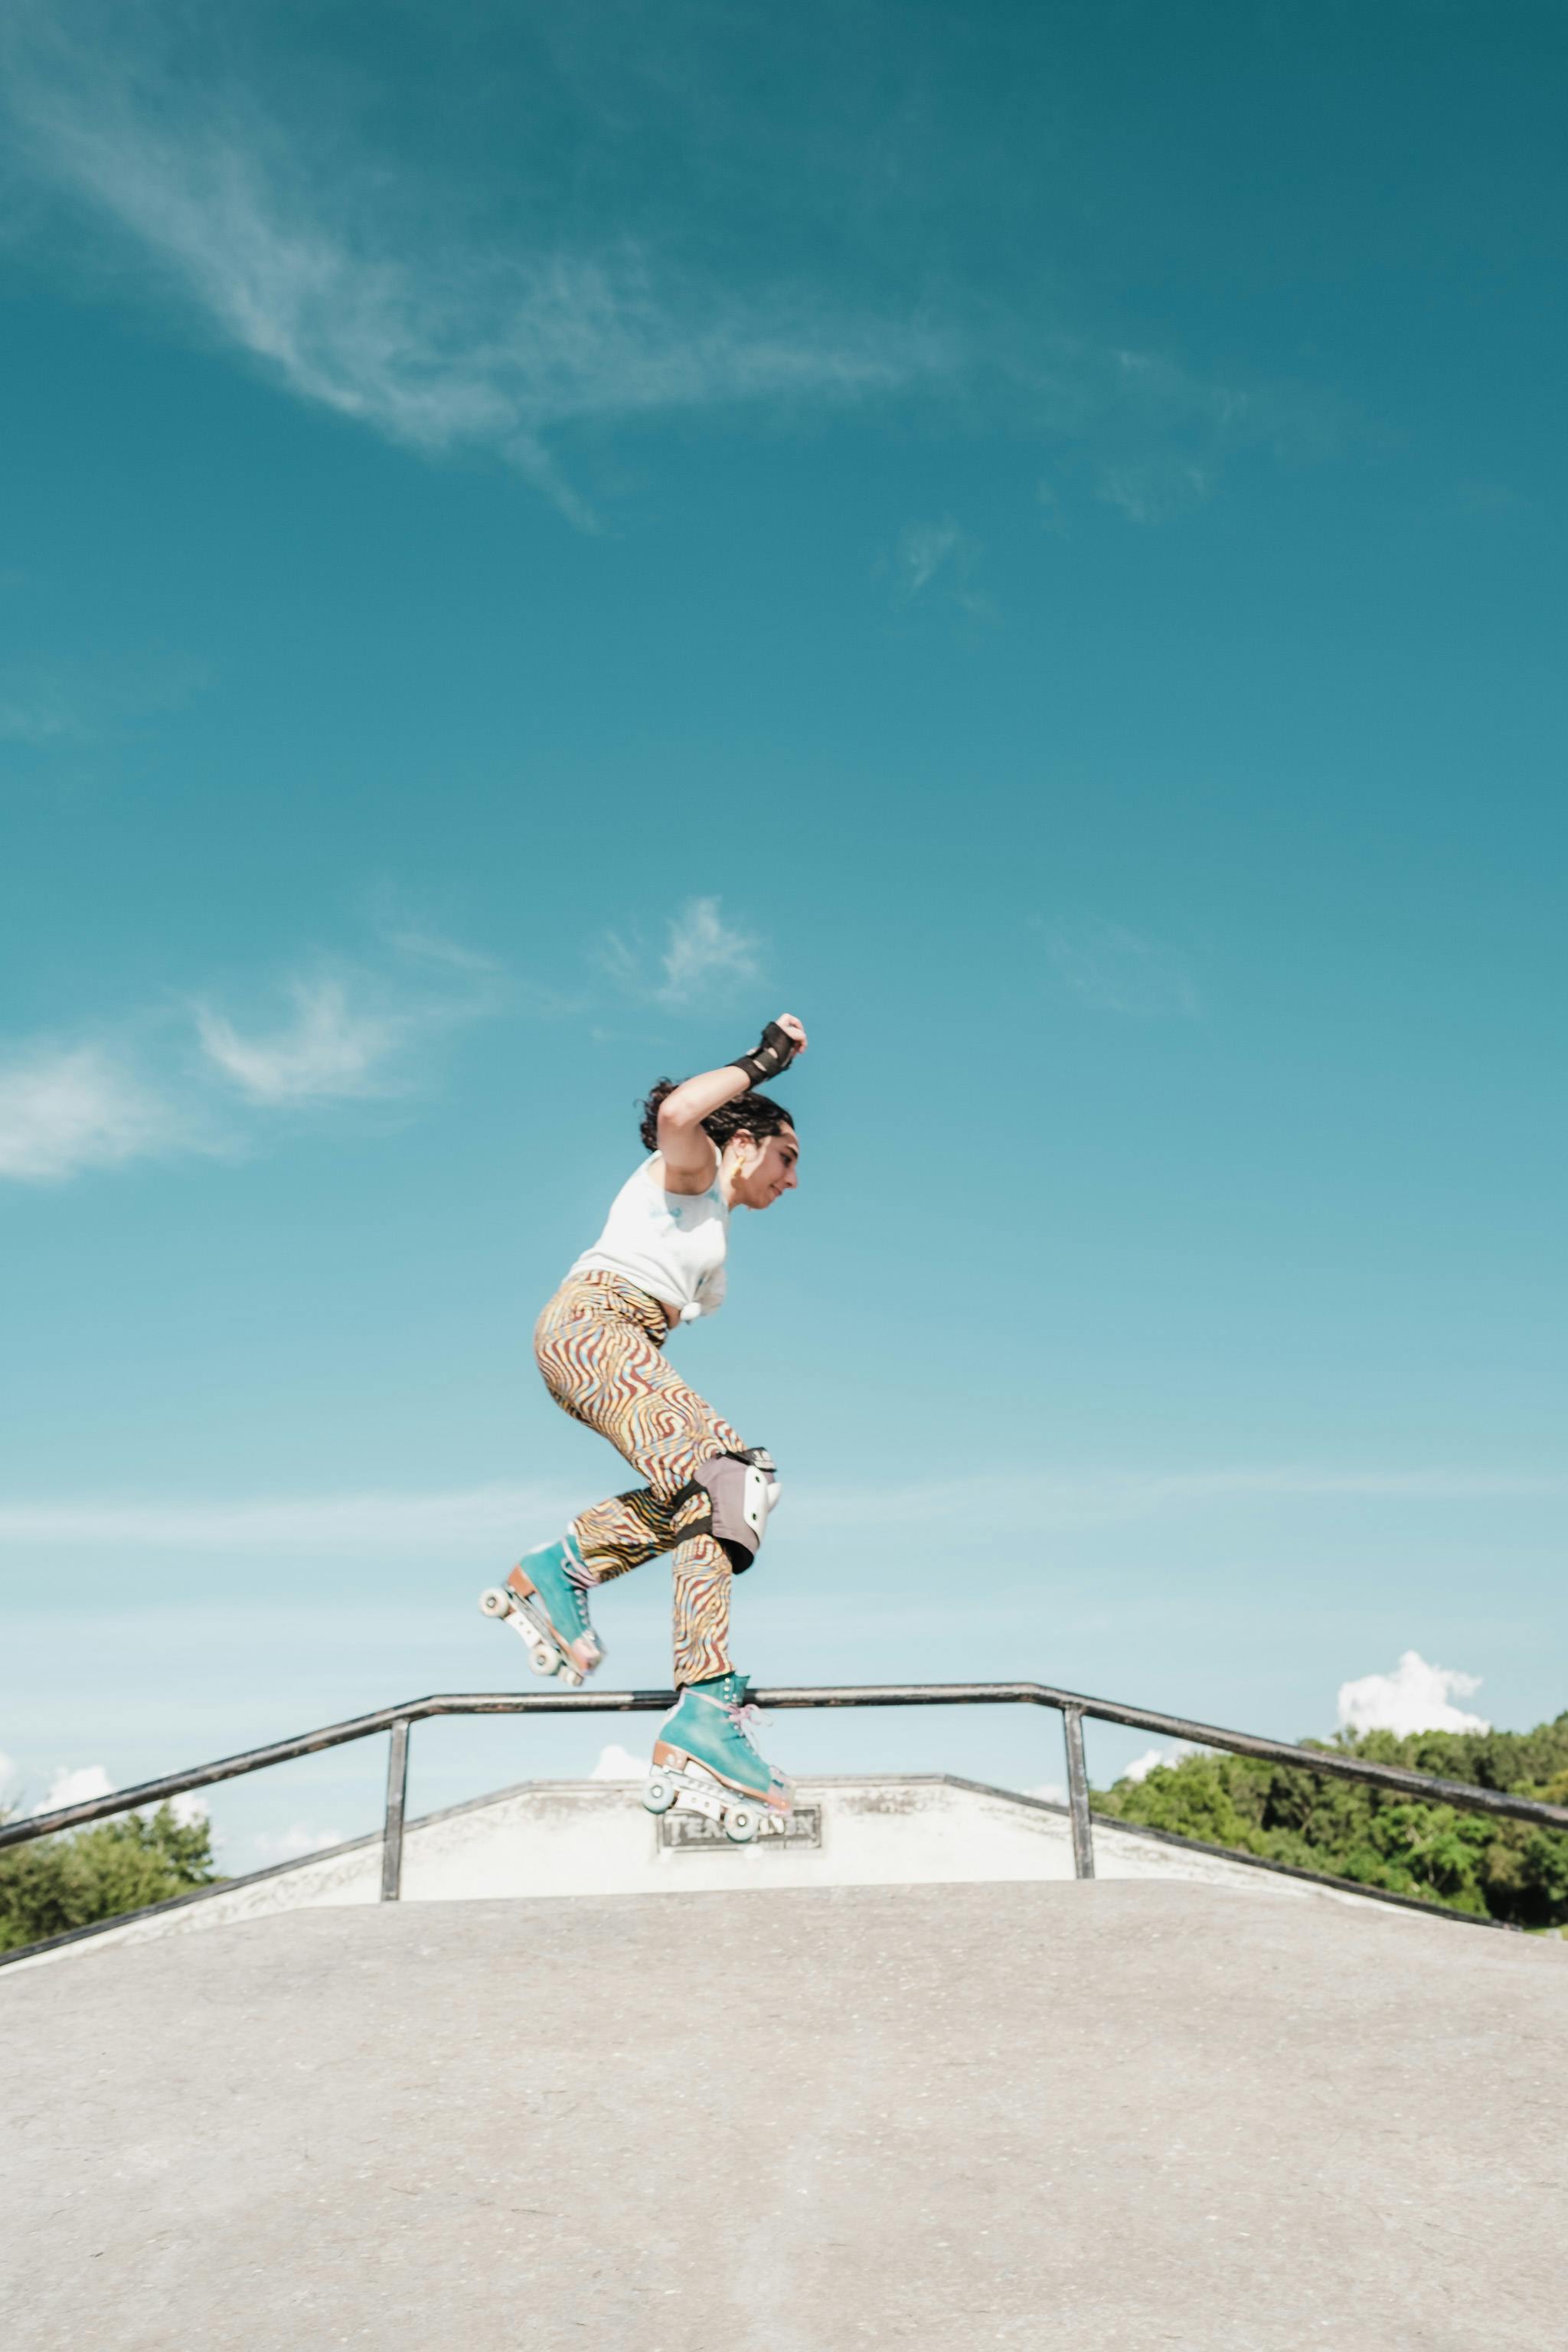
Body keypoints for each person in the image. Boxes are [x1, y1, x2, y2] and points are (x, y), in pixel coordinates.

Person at [482, 1014, 806, 1831]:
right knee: (734, 1476)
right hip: (595, 1328)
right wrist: (764, 1062)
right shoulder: (690, 1171)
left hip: (605, 1337)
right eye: (786, 1158)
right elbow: (675, 1118)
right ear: (743, 1145)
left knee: (725, 1492)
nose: (792, 1180)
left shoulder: (709, 1230)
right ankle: (701, 1708)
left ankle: (563, 1569)